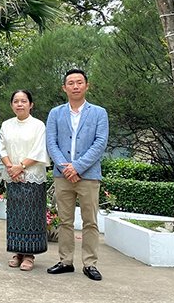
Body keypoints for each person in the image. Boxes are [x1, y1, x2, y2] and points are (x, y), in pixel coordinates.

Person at [45, 69, 109, 281]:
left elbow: (100, 143)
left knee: (90, 221)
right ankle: (65, 261)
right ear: (64, 88)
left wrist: (78, 167)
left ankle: (90, 264)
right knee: (65, 221)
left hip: (88, 176)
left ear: (86, 86)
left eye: (79, 82)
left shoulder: (99, 113)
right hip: (62, 175)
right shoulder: (55, 113)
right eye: (71, 83)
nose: (75, 86)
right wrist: (66, 168)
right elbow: (51, 142)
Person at [0, 90, 50, 271]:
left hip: (32, 176)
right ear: (11, 105)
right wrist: (11, 168)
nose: (19, 104)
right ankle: (18, 252)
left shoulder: (38, 125)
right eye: (16, 101)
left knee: (31, 216)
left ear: (31, 104)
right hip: (13, 177)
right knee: (15, 216)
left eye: (23, 101)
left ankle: (29, 255)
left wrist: (20, 167)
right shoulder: (6, 125)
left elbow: (39, 150)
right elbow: (2, 148)